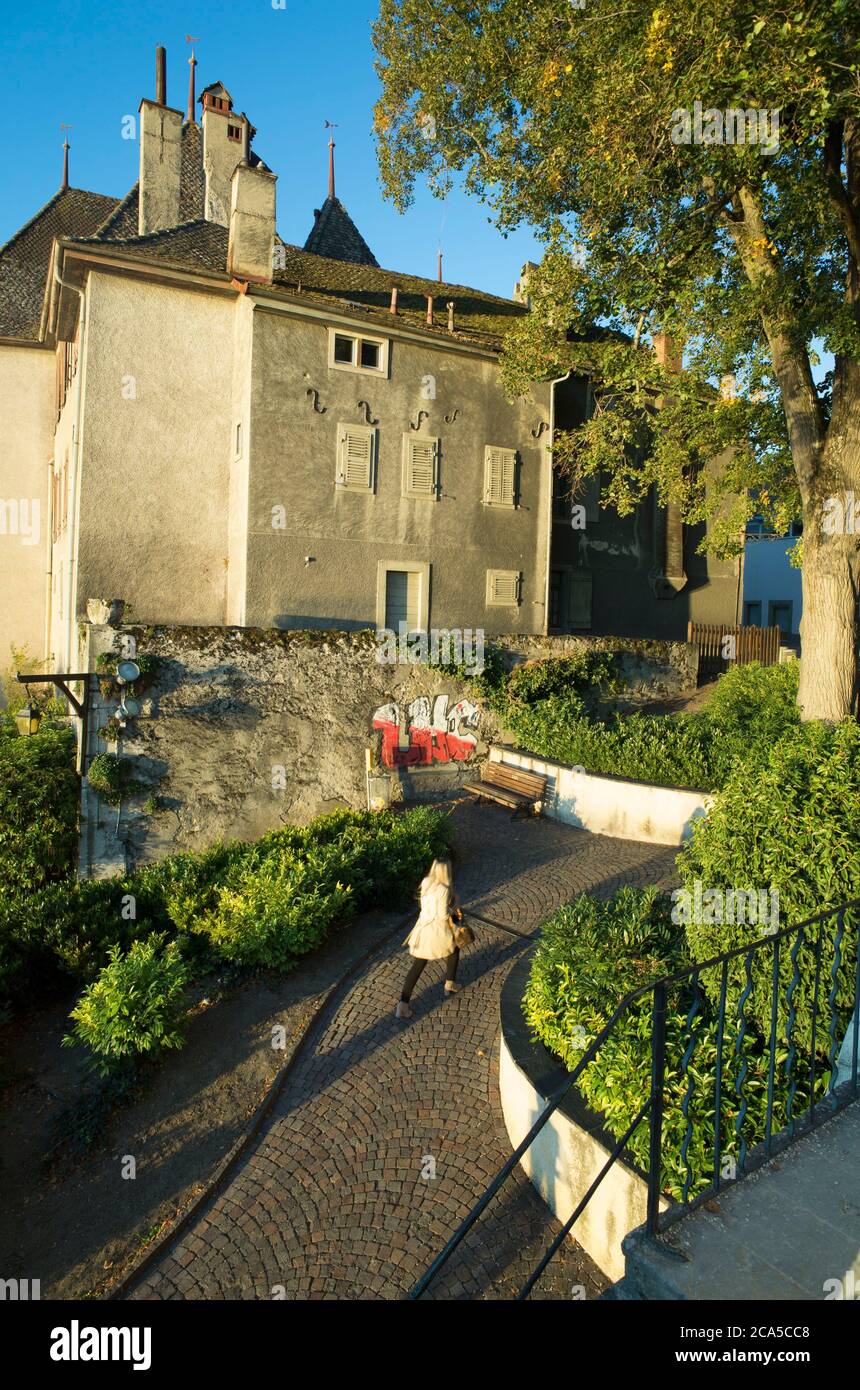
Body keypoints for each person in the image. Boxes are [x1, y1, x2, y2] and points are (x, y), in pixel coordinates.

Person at [395, 858, 463, 1019]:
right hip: (436, 931)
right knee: (453, 949)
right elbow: (442, 915)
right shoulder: (444, 889)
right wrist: (455, 906)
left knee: (417, 966)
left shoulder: (426, 882)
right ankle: (450, 983)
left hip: (422, 929)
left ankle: (403, 1004)